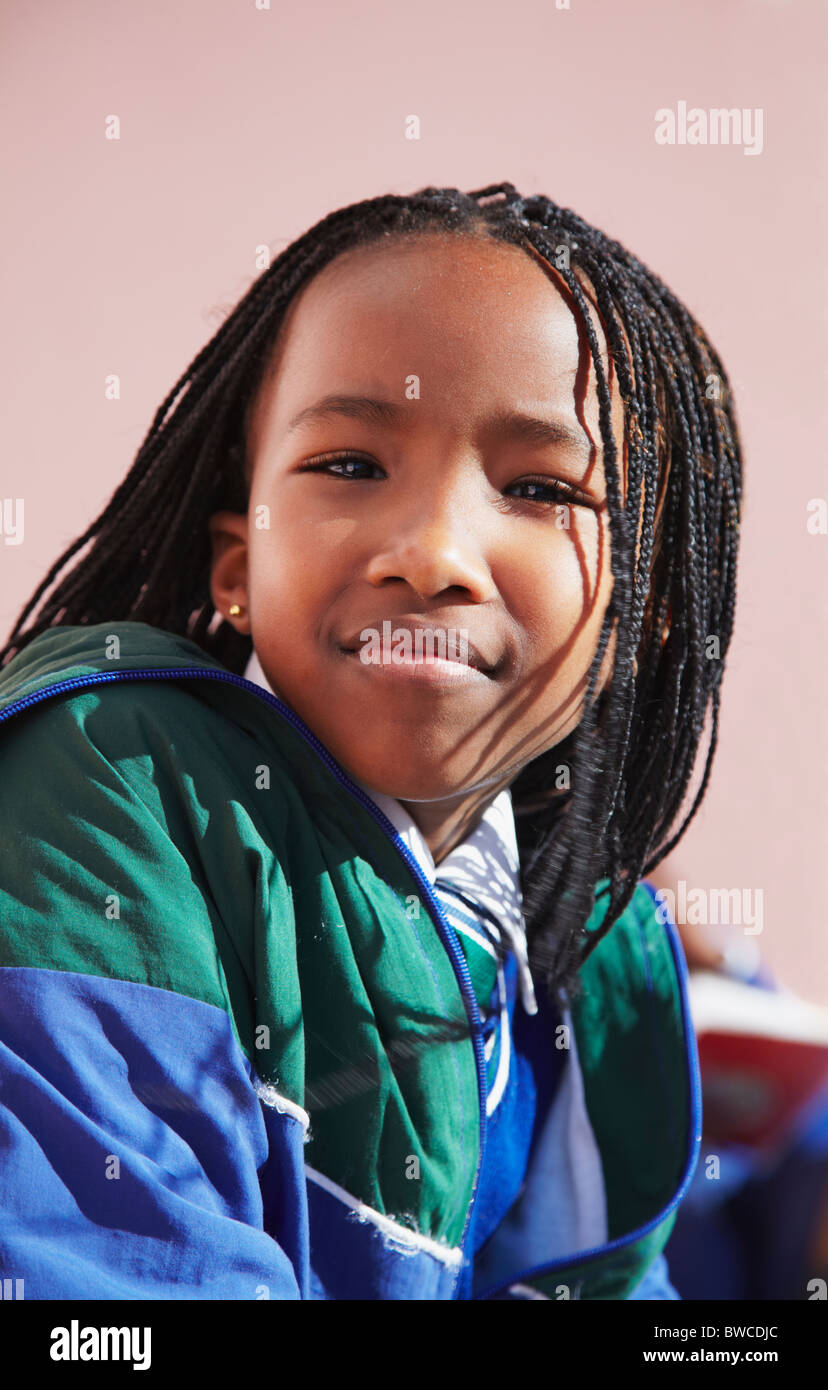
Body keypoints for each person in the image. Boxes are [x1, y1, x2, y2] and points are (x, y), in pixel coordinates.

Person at [0, 182, 742, 1300]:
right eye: (350, 465)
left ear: (644, 621)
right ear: (237, 566)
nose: (433, 550)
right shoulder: (120, 766)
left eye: (541, 486)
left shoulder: (584, 950)